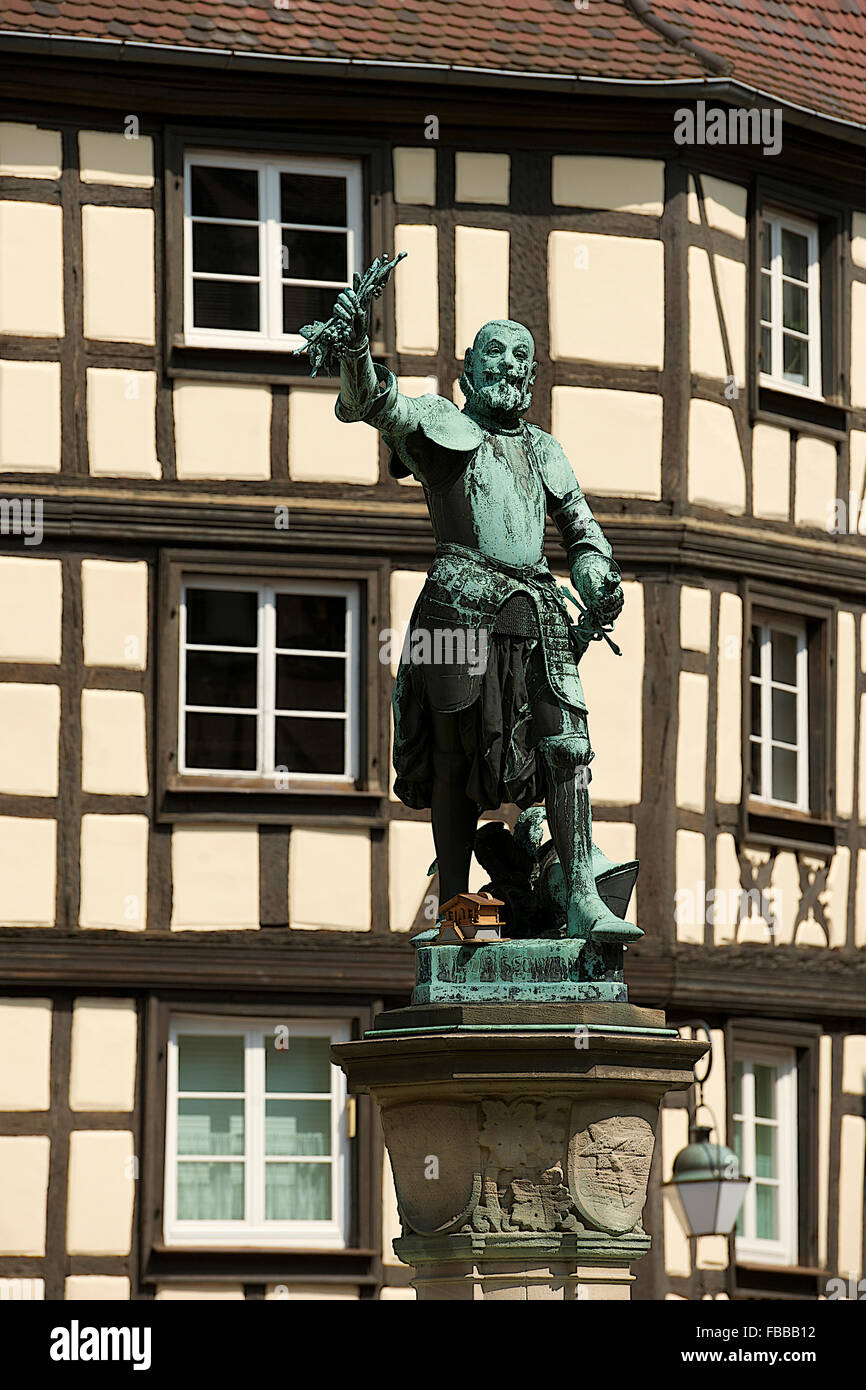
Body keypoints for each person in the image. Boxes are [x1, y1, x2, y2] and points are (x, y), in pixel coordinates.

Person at [333, 284, 641, 944]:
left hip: (536, 607)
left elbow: (583, 535)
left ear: (530, 377)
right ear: (468, 369)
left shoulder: (545, 450)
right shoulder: (445, 426)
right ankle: (454, 911)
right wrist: (357, 351)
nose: (507, 365)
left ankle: (583, 894)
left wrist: (597, 580)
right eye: (494, 354)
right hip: (457, 603)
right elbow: (377, 405)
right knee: (452, 760)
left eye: (520, 358)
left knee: (568, 747)